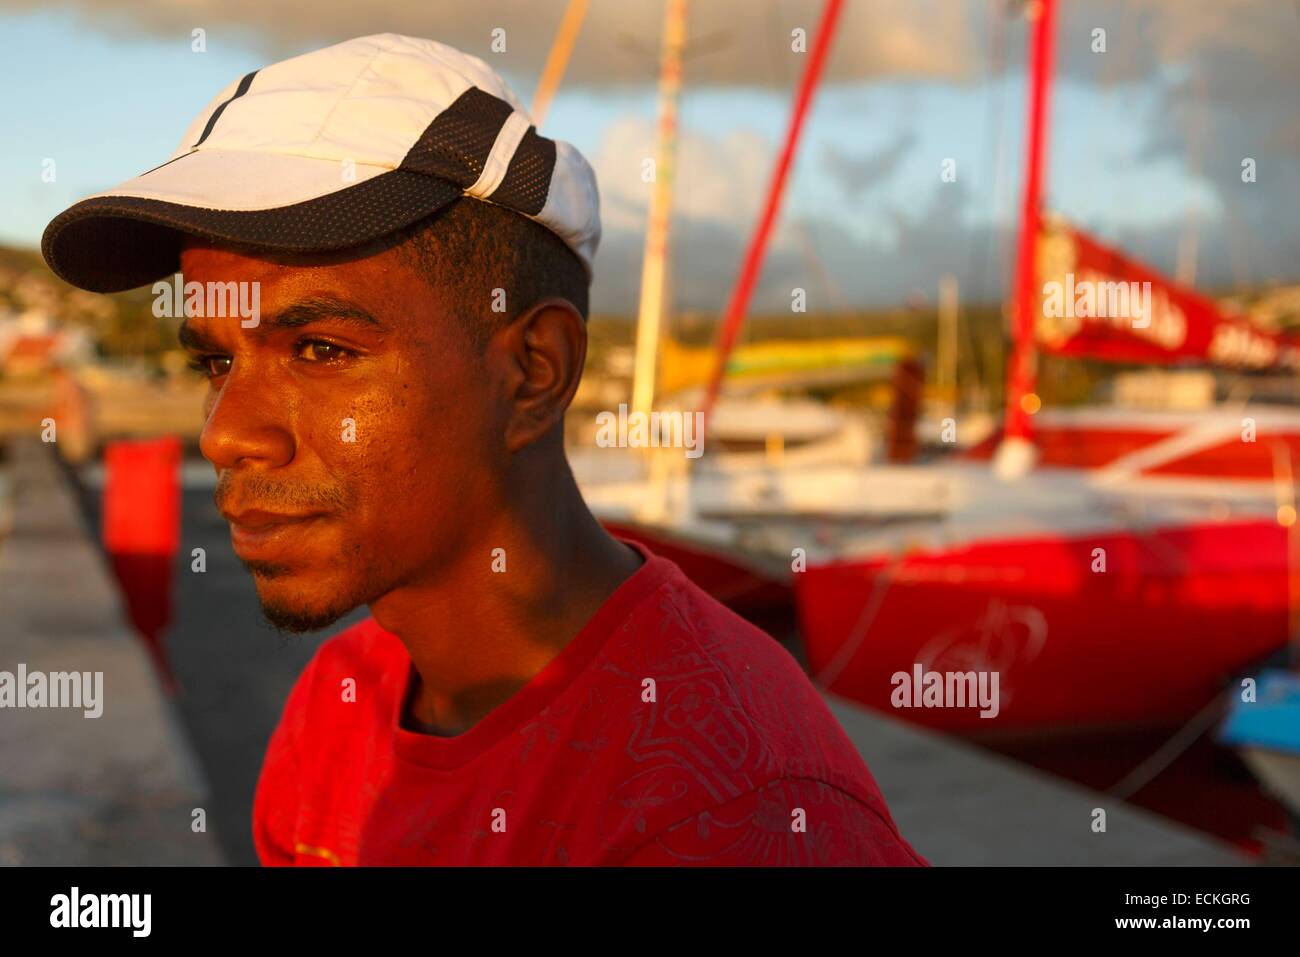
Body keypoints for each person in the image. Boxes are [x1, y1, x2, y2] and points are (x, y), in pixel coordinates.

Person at [42, 33, 926, 867]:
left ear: (534, 373)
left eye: (320, 350)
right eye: (215, 361)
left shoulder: (736, 815)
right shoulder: (340, 700)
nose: (225, 433)